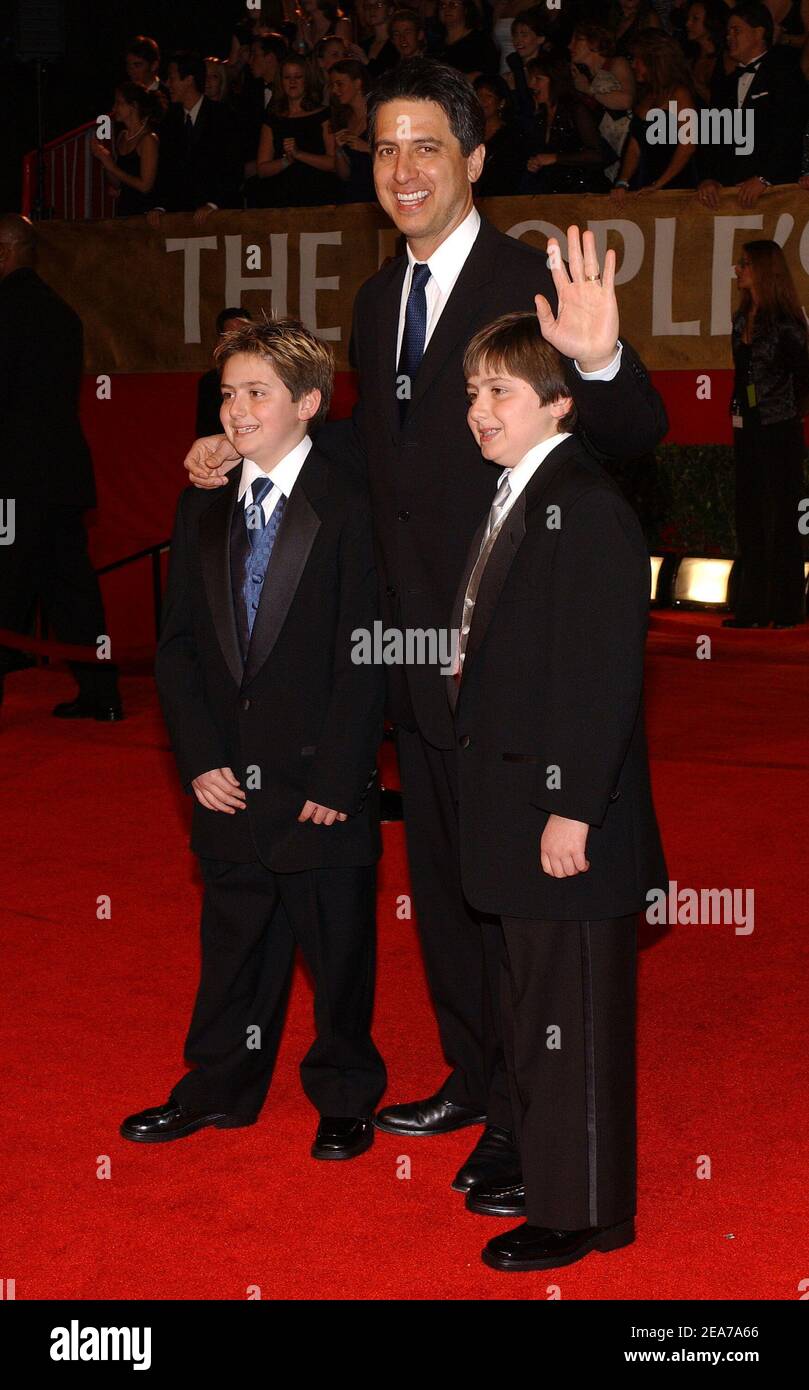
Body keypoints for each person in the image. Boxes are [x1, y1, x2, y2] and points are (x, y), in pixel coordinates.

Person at [182, 58, 668, 1199]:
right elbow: (374, 452)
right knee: (447, 885)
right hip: (407, 655)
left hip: (517, 658)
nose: (401, 170)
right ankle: (470, 1072)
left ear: (473, 160)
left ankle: (522, 1115)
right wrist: (250, 446)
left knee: (515, 894)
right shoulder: (370, 299)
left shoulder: (524, 274)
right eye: (385, 149)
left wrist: (597, 357)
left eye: (426, 148)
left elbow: (631, 433)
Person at [121, 317, 386, 1154]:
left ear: (307, 403)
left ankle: (344, 1093)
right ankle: (219, 1088)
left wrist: (339, 779)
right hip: (226, 780)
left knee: (336, 945)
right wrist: (198, 761)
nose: (236, 411)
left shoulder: (348, 505)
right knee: (232, 943)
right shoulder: (200, 507)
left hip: (320, 786)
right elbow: (176, 652)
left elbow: (365, 653)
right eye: (228, 394)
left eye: (256, 394)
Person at [448, 310, 667, 1271]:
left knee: (568, 1024)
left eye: (498, 391)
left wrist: (572, 804)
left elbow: (603, 671)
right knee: (530, 1011)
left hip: (565, 818)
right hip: (514, 809)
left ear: (559, 403)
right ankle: (548, 1178)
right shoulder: (515, 492)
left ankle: (587, 1215)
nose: (477, 410)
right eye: (470, 393)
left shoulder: (582, 502)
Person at [0, 215, 122, 720]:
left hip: (11, 475)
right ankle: (102, 695)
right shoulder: (62, 313)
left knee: (4, 585)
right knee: (71, 589)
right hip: (61, 474)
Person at [723, 241, 809, 628]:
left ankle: (786, 609)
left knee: (782, 518)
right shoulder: (742, 320)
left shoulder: (788, 323)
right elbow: (743, 377)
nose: (738, 269)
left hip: (780, 430)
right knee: (750, 516)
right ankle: (752, 608)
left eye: (744, 264)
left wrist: (788, 411)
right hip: (748, 430)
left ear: (762, 269)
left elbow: (804, 377)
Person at [696, 1, 807, 208]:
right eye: (728, 31)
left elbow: (790, 130)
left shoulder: (784, 72)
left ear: (758, 33)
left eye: (736, 30)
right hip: (734, 193)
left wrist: (764, 177)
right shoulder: (725, 84)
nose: (729, 37)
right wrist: (709, 177)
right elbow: (713, 136)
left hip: (775, 193)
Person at [147, 51, 241, 223]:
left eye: (172, 78)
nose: (168, 84)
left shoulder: (222, 116)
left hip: (218, 217)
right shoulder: (169, 120)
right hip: (181, 214)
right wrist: (160, 206)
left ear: (189, 80)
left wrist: (213, 204)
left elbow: (231, 166)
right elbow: (166, 168)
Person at [610, 30, 699, 198]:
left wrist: (659, 184)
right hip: (643, 182)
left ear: (654, 61)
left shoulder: (680, 94)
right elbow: (635, 144)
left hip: (675, 185)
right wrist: (622, 181)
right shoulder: (646, 94)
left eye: (638, 60)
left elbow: (688, 145)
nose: (633, 65)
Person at [521, 52, 611, 194]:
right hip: (554, 191)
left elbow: (597, 154)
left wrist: (555, 158)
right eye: (531, 79)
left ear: (555, 80)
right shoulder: (540, 116)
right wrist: (535, 162)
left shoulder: (575, 110)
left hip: (582, 191)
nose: (531, 84)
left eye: (538, 79)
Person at [256, 56, 338, 206]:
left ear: (307, 80)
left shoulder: (324, 115)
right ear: (281, 81)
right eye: (287, 77)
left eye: (298, 77)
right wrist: (286, 161)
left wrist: (299, 154)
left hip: (319, 199)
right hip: (281, 201)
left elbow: (334, 163)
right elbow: (262, 169)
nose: (292, 82)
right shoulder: (272, 119)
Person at [569, 22, 635, 182]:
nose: (570, 46)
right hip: (604, 148)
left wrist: (589, 90)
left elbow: (626, 101)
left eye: (577, 40)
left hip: (626, 142)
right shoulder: (580, 76)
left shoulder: (616, 64)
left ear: (595, 42)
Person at [89, 83, 161, 217]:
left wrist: (112, 166)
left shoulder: (148, 140)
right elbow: (118, 184)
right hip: (124, 212)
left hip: (145, 214)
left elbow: (145, 186)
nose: (114, 108)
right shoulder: (122, 136)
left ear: (133, 106)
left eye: (119, 103)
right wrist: (105, 161)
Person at [196, 308, 254, 437]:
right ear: (221, 342)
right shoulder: (210, 382)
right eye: (231, 336)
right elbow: (206, 431)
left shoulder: (270, 373)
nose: (239, 341)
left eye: (243, 334)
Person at [473, 73, 528, 196]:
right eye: (479, 95)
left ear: (501, 102)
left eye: (489, 96)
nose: (482, 100)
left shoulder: (512, 136)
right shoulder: (469, 133)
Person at [330, 60, 376, 202]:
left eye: (340, 84)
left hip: (377, 198)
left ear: (357, 83)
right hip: (353, 198)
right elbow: (345, 175)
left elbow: (396, 157)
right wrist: (338, 151)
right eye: (333, 85)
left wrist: (367, 148)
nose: (334, 90)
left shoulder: (379, 116)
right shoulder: (343, 119)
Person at [436, 0, 500, 79]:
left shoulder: (480, 40)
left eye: (453, 4)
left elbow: (489, 71)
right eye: (442, 5)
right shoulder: (435, 43)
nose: (447, 9)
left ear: (465, 10)